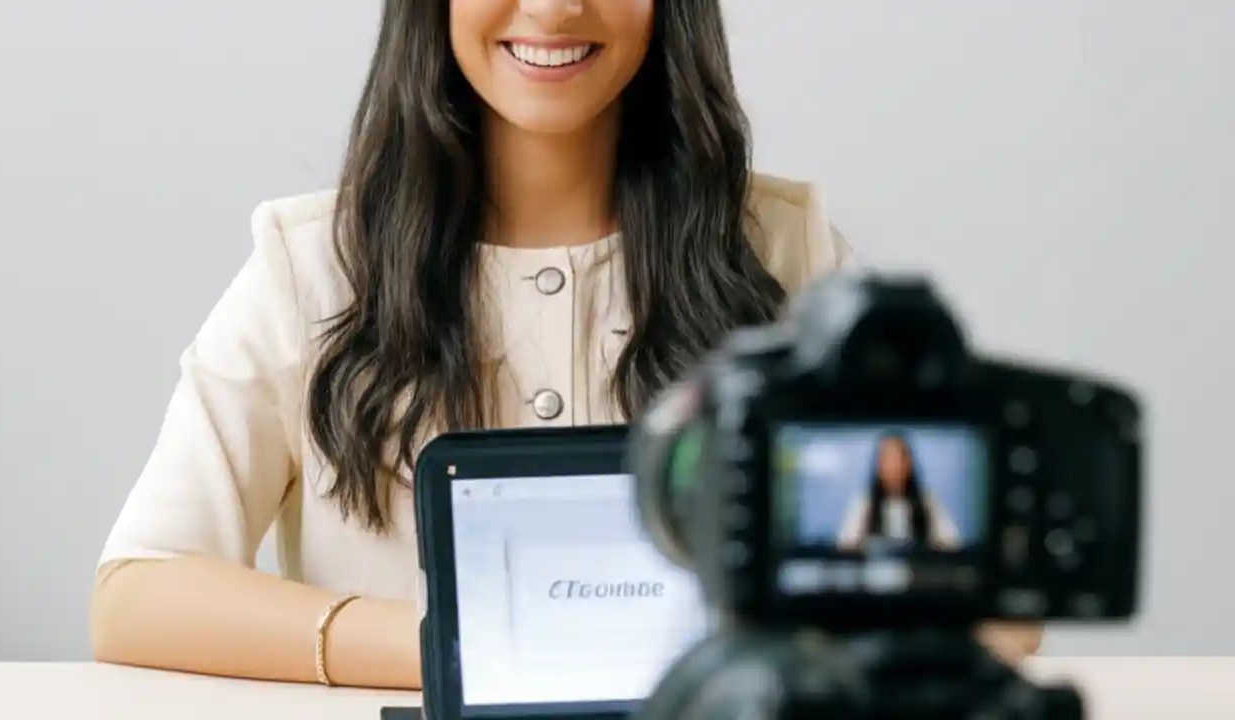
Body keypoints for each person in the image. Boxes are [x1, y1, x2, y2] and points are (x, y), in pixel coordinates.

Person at [89, 0, 1041, 689]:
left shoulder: (788, 252)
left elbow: (995, 605)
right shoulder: (311, 266)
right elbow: (135, 594)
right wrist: (451, 647)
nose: (553, 8)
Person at [837, 433, 962, 552]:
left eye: (898, 459)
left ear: (908, 463)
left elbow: (952, 543)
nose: (893, 467)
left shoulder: (927, 500)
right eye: (887, 460)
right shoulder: (865, 502)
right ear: (879, 466)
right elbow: (846, 545)